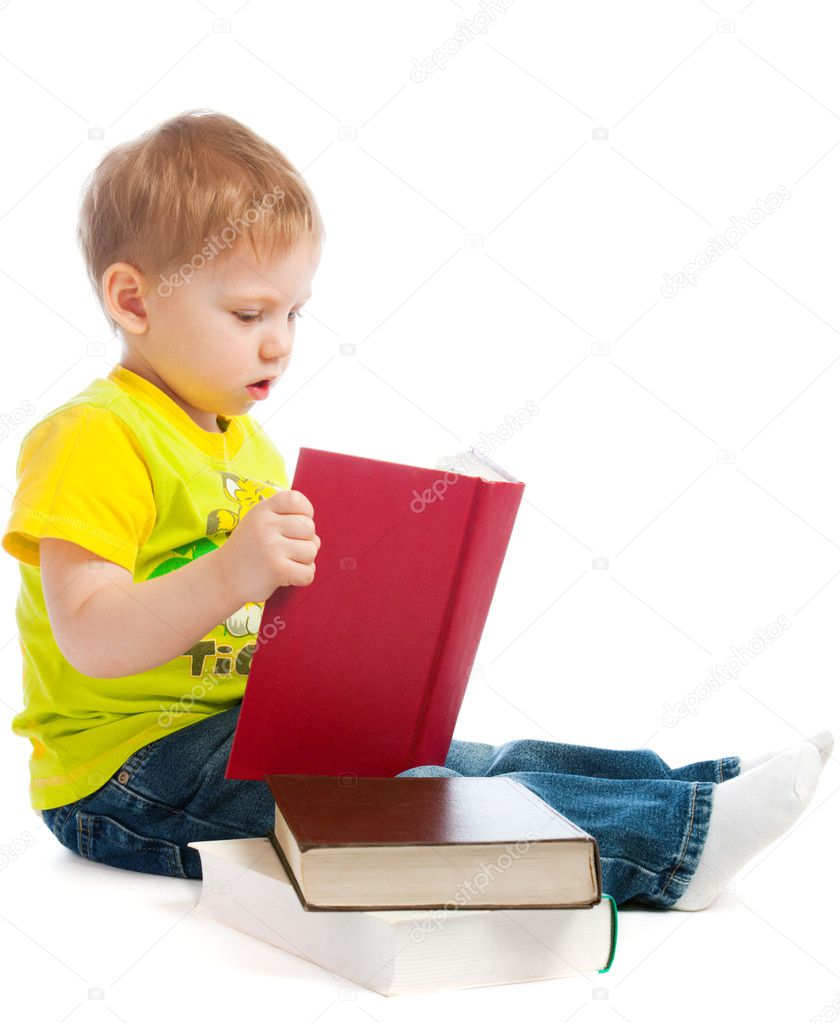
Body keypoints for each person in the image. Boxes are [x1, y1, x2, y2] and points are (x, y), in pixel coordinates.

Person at [2, 110, 830, 910]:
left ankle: (696, 792)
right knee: (417, 802)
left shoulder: (246, 446)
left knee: (470, 762)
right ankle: (674, 845)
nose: (279, 341)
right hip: (128, 774)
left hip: (244, 732)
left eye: (293, 313)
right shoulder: (94, 436)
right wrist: (233, 571)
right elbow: (91, 635)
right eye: (249, 313)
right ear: (134, 301)